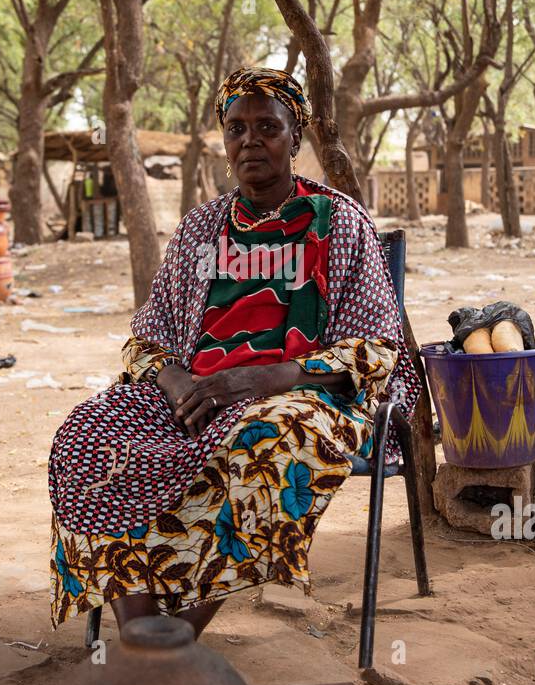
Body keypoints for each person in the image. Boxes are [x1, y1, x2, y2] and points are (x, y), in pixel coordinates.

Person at [46, 66, 417, 638]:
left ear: (295, 138)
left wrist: (263, 380)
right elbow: (148, 338)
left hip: (301, 399)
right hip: (195, 394)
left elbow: (375, 349)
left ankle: (184, 631)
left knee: (266, 439)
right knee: (87, 432)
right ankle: (139, 622)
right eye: (237, 128)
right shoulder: (200, 229)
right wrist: (178, 385)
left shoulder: (340, 224)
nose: (251, 140)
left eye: (268, 127)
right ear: (224, 139)